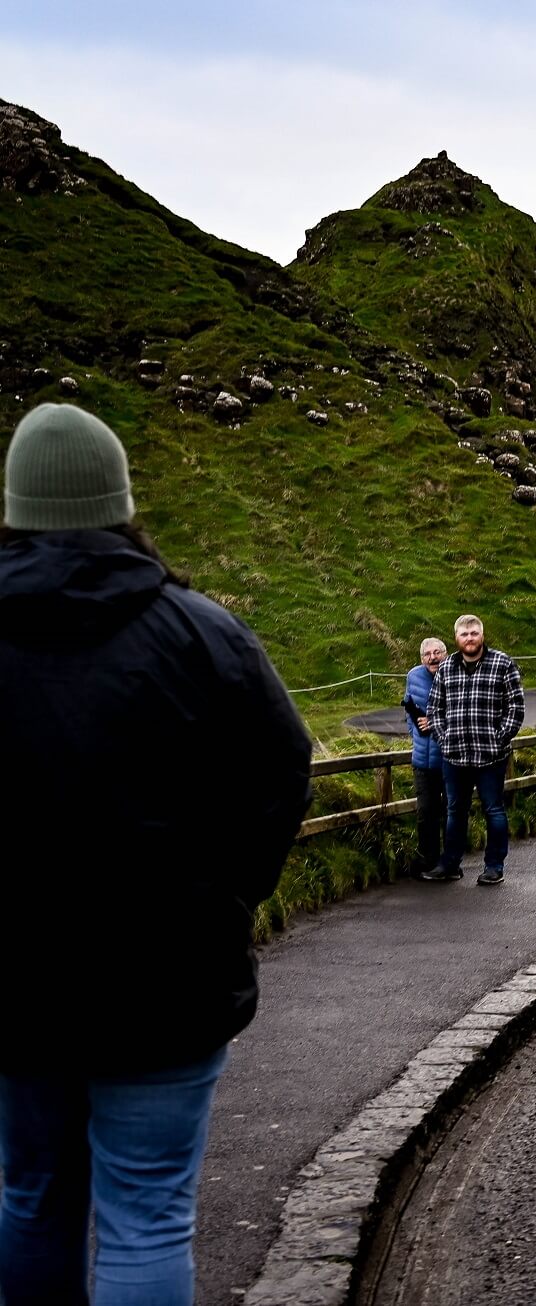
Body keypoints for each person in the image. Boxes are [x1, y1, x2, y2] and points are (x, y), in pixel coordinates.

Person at [0, 403, 312, 1306]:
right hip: (169, 975)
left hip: (14, 979)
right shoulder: (201, 633)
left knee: (31, 1195)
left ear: (14, 506)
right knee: (147, 1214)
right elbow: (284, 767)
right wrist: (228, 898)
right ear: (122, 502)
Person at [423, 613, 525, 887]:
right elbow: (434, 709)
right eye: (464, 634)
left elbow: (516, 707)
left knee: (493, 809)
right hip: (455, 756)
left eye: (474, 633)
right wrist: (445, 739)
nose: (470, 639)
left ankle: (494, 866)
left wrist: (500, 738)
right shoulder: (446, 669)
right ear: (456, 638)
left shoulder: (502, 663)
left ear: (482, 635)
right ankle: (450, 865)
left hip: (490, 755)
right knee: (455, 810)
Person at [401, 637, 449, 876]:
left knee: (451, 811)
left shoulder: (457, 675)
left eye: (437, 652)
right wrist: (415, 733)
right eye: (427, 654)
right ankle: (428, 860)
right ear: (422, 659)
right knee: (425, 812)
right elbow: (408, 707)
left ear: (445, 654)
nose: (433, 657)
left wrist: (436, 722)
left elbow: (466, 711)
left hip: (450, 758)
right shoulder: (413, 676)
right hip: (422, 759)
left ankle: (450, 863)